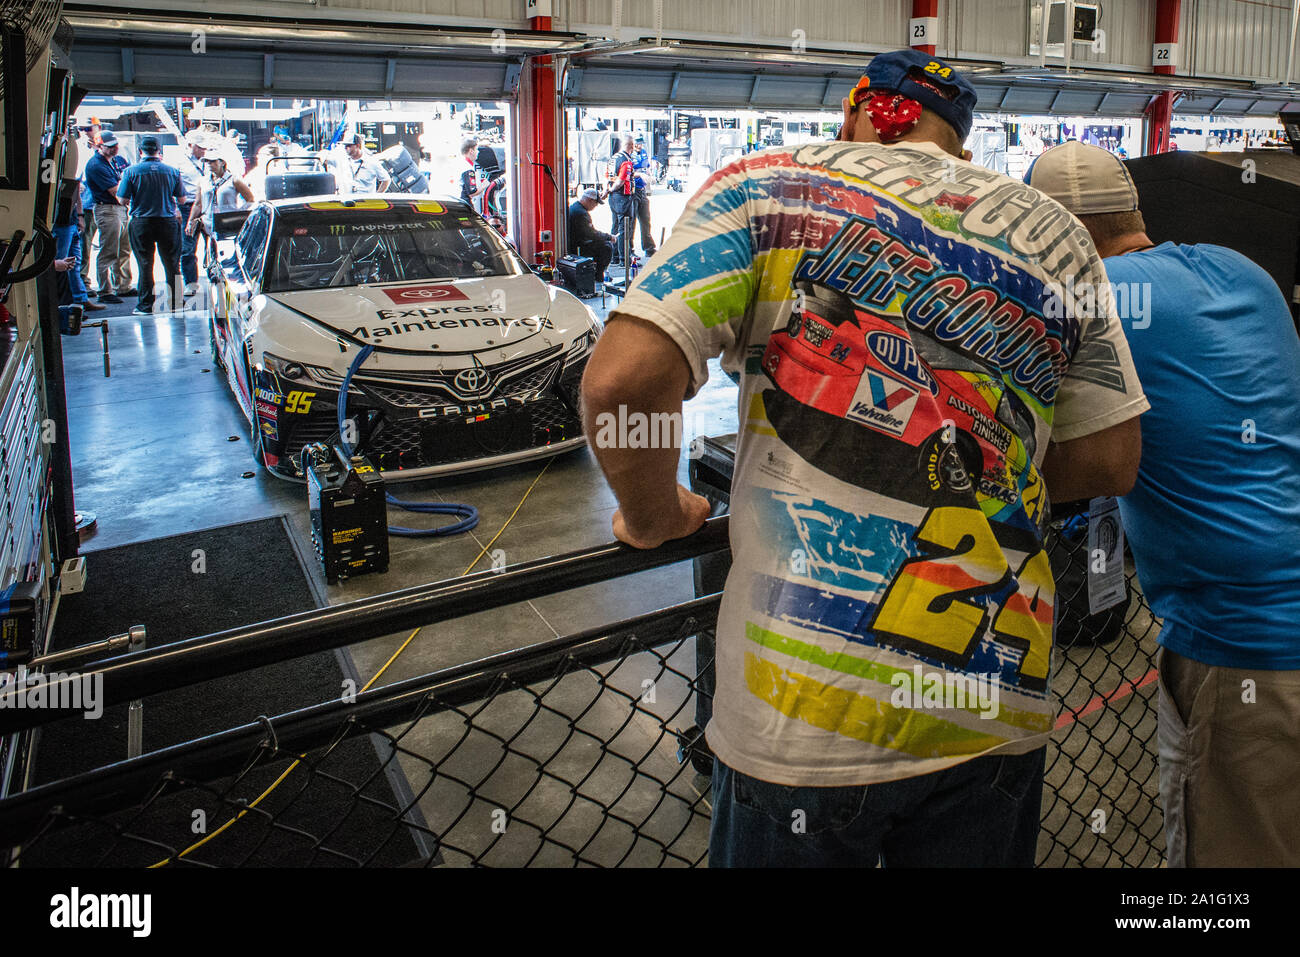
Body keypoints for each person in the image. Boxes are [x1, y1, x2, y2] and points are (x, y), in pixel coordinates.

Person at [580, 49, 1147, 867]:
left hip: (802, 723)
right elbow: (1108, 459)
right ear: (958, 138)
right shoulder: (1058, 234)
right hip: (994, 692)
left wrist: (656, 514)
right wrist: (980, 467)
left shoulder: (765, 183)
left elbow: (624, 382)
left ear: (859, 111)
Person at [1027, 140, 1300, 867]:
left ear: (1058, 237)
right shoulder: (1246, 272)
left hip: (1243, 645)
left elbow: (1056, 448)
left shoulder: (1093, 298)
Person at [117, 134, 185, 315]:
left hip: (142, 222)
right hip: (167, 221)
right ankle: (176, 303)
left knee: (145, 264)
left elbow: (122, 200)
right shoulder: (172, 171)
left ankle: (146, 305)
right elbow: (183, 199)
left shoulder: (131, 172)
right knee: (172, 264)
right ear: (159, 151)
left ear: (141, 151)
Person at [51, 137, 105, 315]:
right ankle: (64, 307)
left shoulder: (68, 171)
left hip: (71, 220)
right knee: (61, 263)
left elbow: (76, 190)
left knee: (74, 262)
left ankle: (80, 299)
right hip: (60, 222)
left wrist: (80, 215)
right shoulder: (50, 171)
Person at [82, 131, 133, 303]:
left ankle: (123, 286)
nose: (114, 149)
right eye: (110, 147)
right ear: (99, 146)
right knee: (108, 250)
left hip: (121, 208)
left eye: (115, 146)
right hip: (107, 208)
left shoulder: (118, 161)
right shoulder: (95, 165)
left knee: (124, 249)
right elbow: (116, 191)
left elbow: (127, 182)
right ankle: (105, 290)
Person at [176, 130, 209, 294]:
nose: (203, 151)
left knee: (213, 244)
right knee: (188, 246)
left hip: (208, 205)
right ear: (190, 145)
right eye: (200, 147)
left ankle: (213, 277)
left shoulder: (208, 161)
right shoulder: (179, 163)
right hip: (188, 206)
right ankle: (191, 282)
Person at [567, 187, 614, 279]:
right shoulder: (581, 213)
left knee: (603, 243)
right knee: (606, 247)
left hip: (576, 241)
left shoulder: (575, 207)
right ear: (589, 200)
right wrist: (609, 237)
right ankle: (598, 276)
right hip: (578, 246)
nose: (596, 206)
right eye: (596, 203)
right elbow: (591, 234)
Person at [459, 137, 485, 210]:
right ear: (471, 151)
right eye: (476, 149)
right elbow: (472, 192)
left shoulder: (459, 163)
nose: (478, 152)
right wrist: (485, 185)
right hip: (462, 205)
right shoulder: (467, 167)